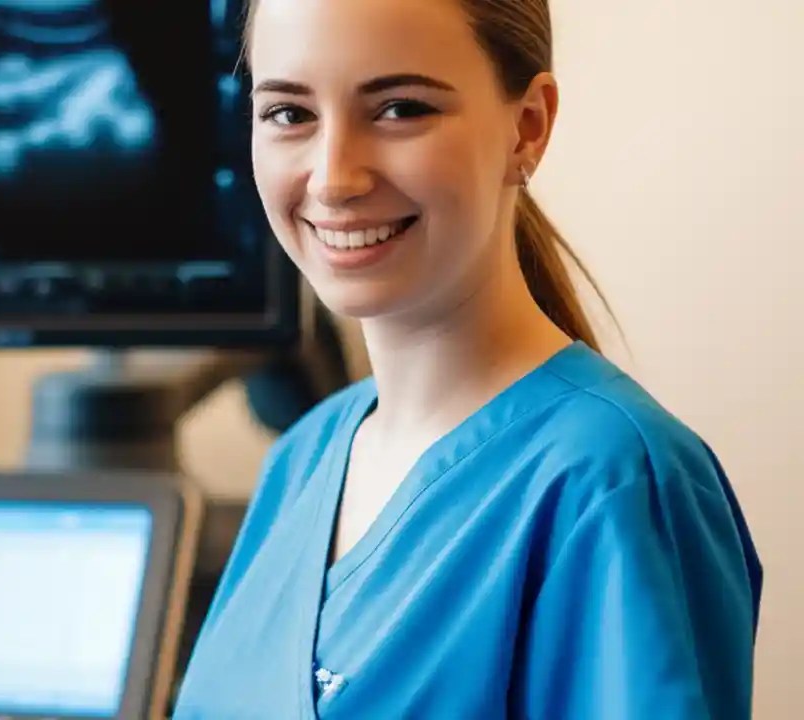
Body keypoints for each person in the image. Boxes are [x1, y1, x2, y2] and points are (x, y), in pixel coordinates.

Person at [172, 0, 763, 717]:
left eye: (398, 108)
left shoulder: (610, 480)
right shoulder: (301, 459)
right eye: (291, 115)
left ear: (529, 125)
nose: (333, 178)